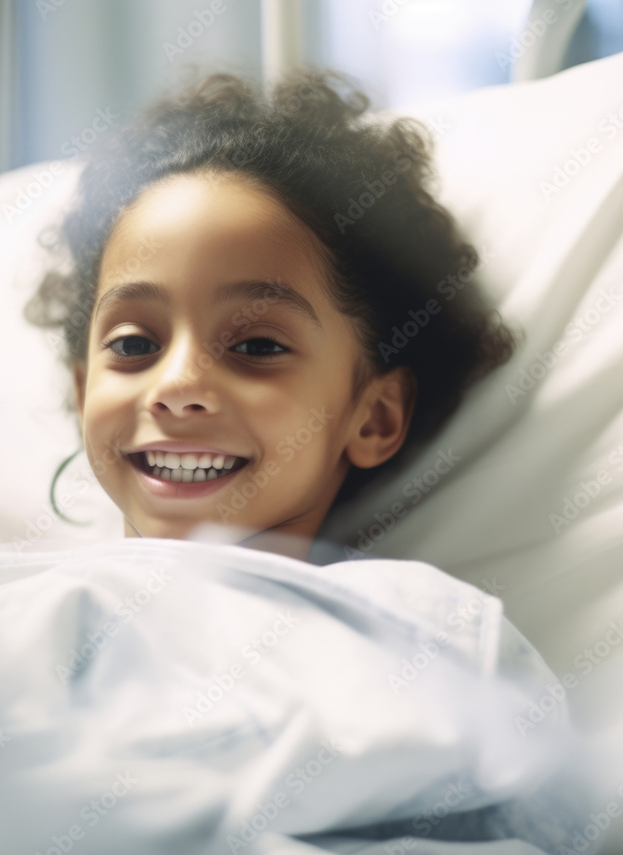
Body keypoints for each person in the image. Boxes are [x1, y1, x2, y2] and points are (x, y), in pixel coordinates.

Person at [27, 66, 518, 563]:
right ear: (84, 390)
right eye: (134, 345)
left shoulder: (412, 631)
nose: (177, 387)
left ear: (374, 418)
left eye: (257, 346)